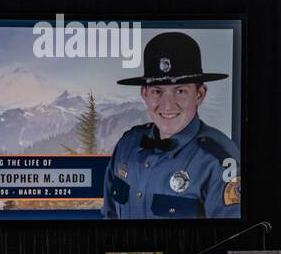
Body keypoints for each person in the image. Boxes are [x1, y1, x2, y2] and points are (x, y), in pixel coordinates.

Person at [102, 30, 240, 219]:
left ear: (199, 94)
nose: (167, 106)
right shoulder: (127, 145)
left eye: (180, 91)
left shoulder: (221, 161)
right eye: (157, 91)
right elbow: (109, 216)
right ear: (144, 94)